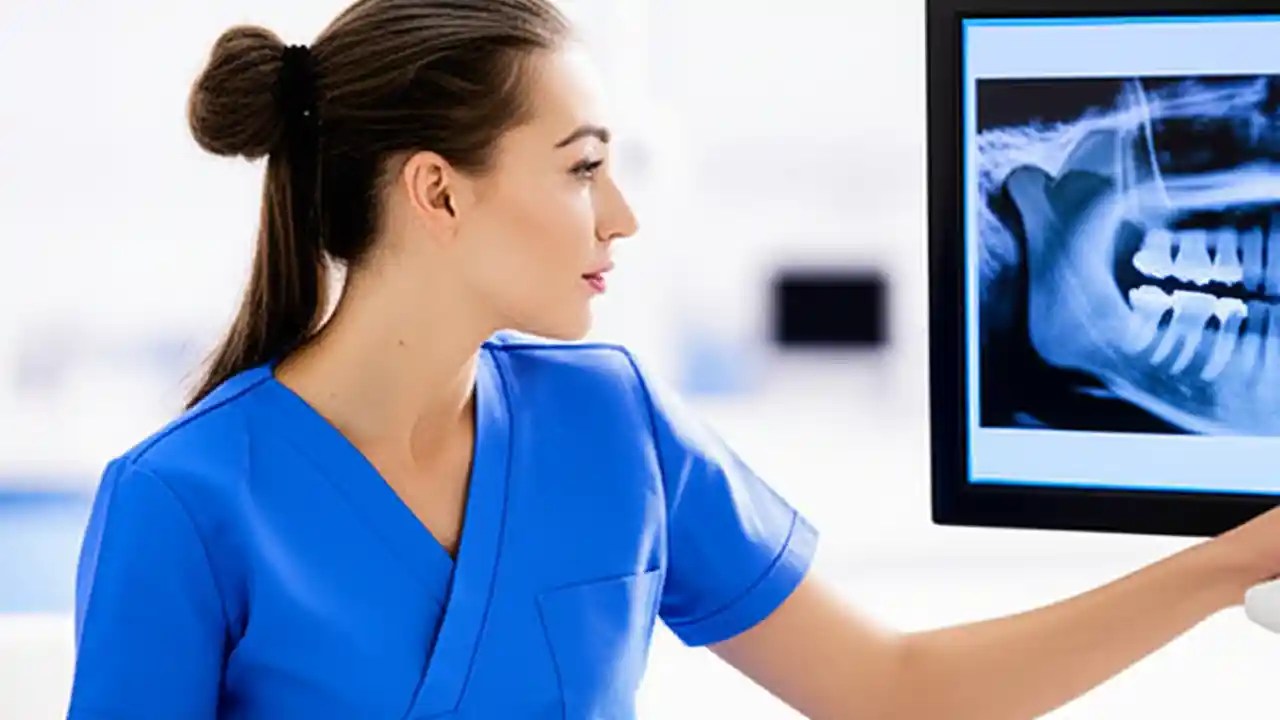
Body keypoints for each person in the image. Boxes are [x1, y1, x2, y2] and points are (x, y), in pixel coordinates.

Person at [67, 1, 1280, 718]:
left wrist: (1224, 566)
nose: (621, 217)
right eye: (583, 167)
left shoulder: (613, 424)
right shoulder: (181, 500)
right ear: (436, 191)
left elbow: (896, 690)